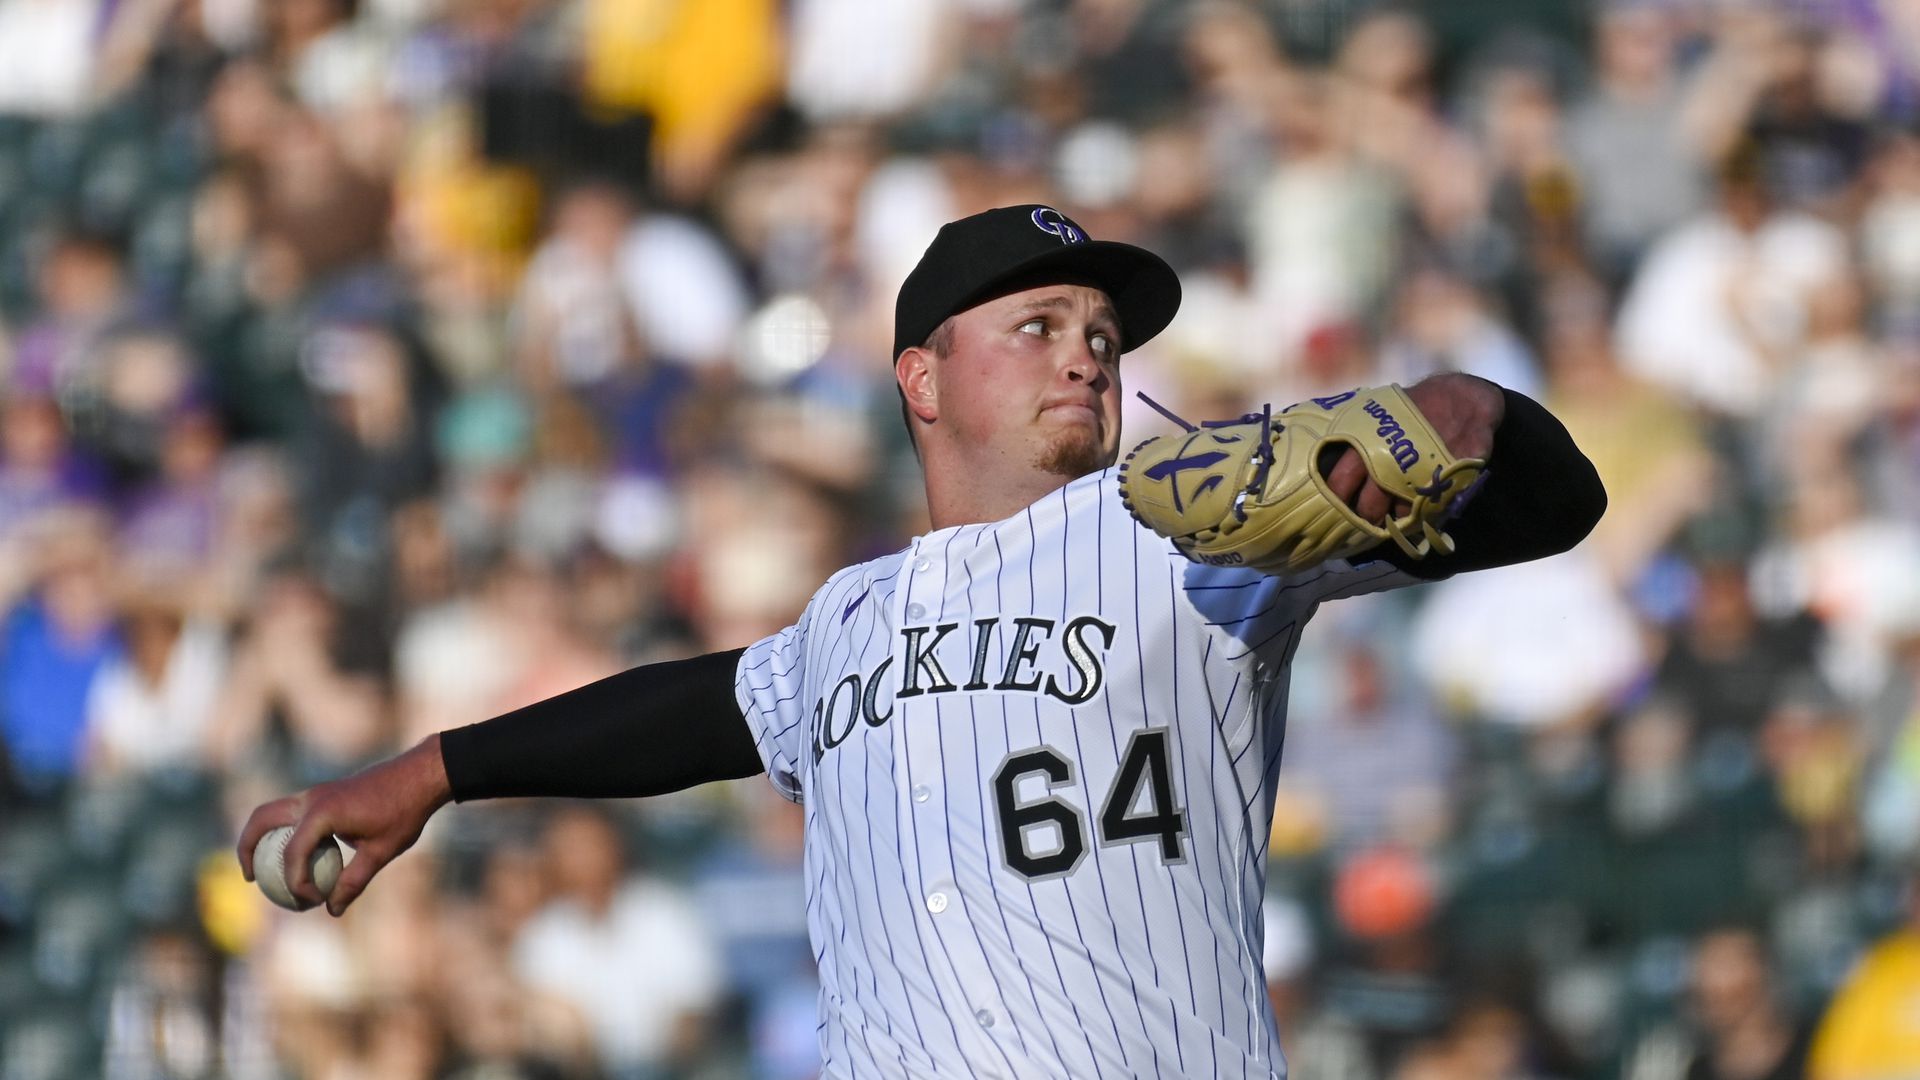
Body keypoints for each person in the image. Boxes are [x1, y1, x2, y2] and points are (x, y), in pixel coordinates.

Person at [240, 205, 1606, 1078]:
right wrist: (431, 772)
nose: (1087, 354)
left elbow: (1554, 504)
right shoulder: (845, 621)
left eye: (1102, 335)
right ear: (922, 377)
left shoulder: (1195, 535)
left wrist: (1471, 412)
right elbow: (693, 712)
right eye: (1038, 325)